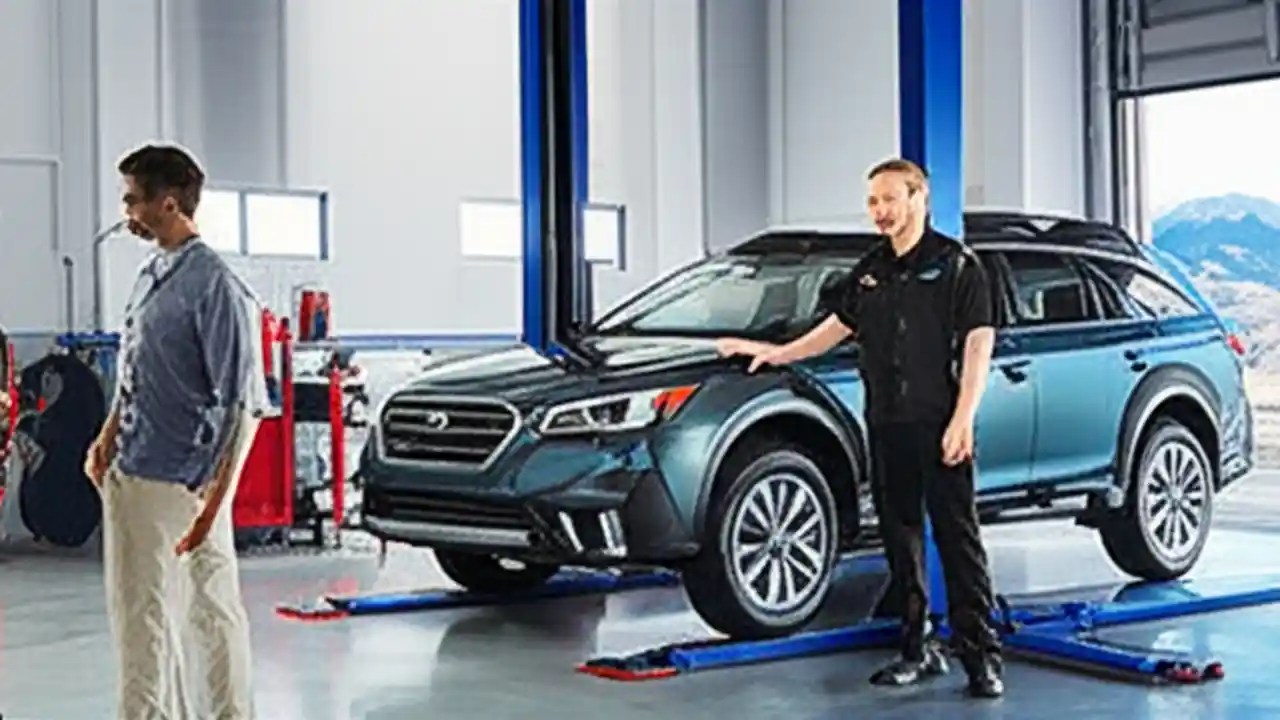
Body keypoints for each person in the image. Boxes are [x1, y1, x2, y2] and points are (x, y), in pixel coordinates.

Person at [715, 158, 1004, 699]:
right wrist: (776, 353)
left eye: (890, 199)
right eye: (873, 201)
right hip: (887, 423)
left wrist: (963, 417)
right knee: (901, 537)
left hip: (942, 424)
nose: (879, 211)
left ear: (919, 198)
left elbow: (977, 346)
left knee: (958, 539)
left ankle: (981, 656)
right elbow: (834, 328)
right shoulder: (872, 270)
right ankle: (916, 650)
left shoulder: (958, 266)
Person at [83, 144, 259, 719]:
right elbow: (137, 367)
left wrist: (214, 502)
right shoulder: (151, 275)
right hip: (135, 468)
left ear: (168, 203)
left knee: (185, 614)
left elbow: (239, 403)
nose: (126, 213)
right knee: (147, 615)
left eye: (134, 201)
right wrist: (108, 433)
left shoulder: (213, 286)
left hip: (179, 480)